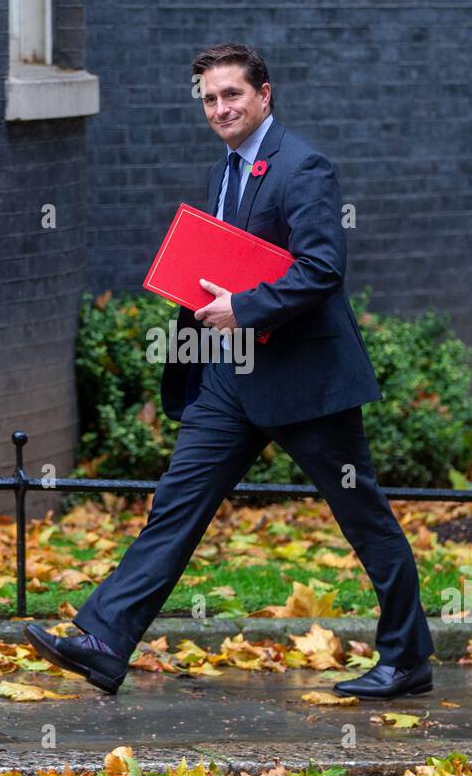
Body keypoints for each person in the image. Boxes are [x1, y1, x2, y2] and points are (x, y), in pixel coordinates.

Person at [24, 43, 435, 699]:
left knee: (364, 519)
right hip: (231, 379)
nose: (220, 108)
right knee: (175, 508)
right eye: (211, 98)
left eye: (232, 95)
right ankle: (104, 642)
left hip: (307, 384)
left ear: (264, 95)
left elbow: (322, 268)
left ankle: (407, 659)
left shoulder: (304, 168)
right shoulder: (226, 171)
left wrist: (243, 306)